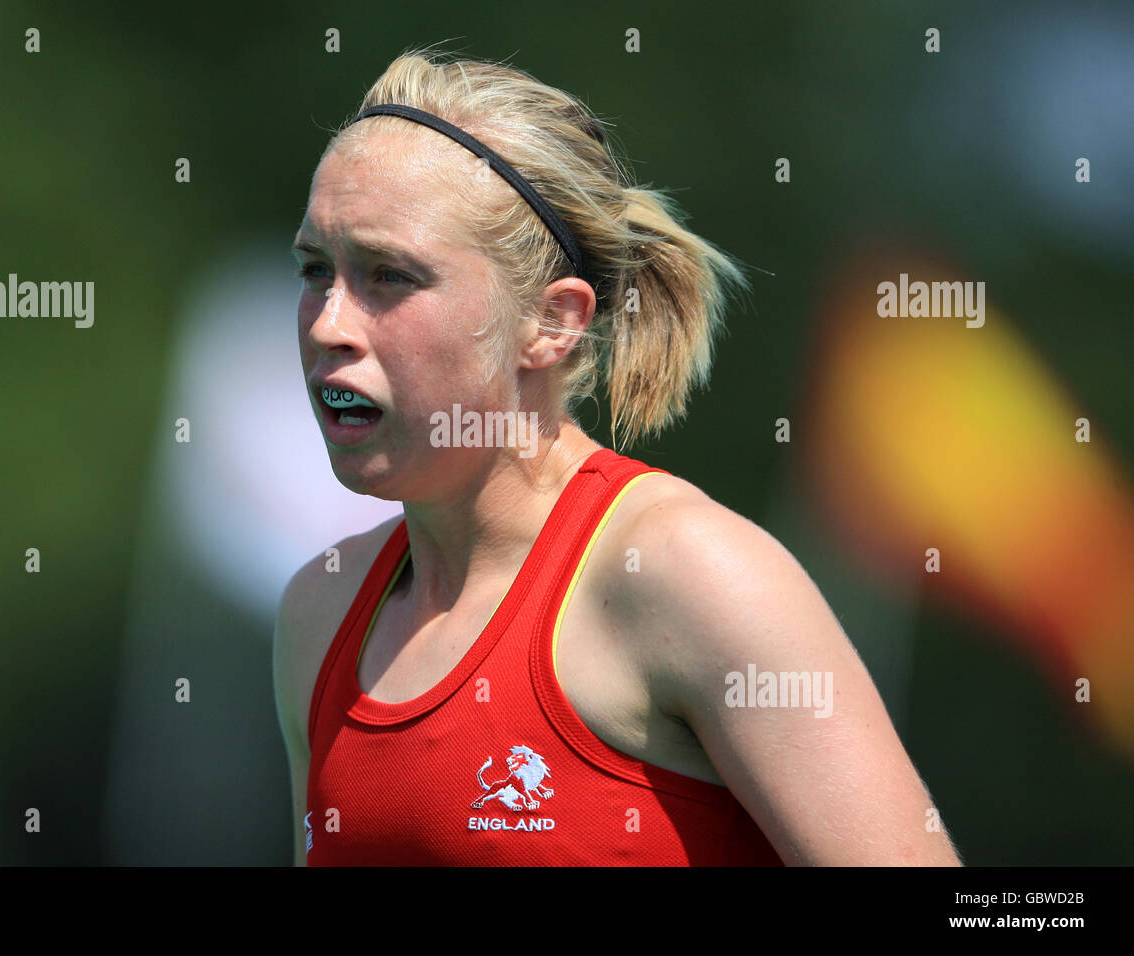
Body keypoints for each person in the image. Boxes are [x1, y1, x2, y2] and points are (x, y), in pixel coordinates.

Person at [272, 46, 962, 866]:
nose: (327, 325)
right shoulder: (318, 613)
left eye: (389, 276)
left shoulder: (688, 573)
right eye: (317, 270)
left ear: (552, 323)